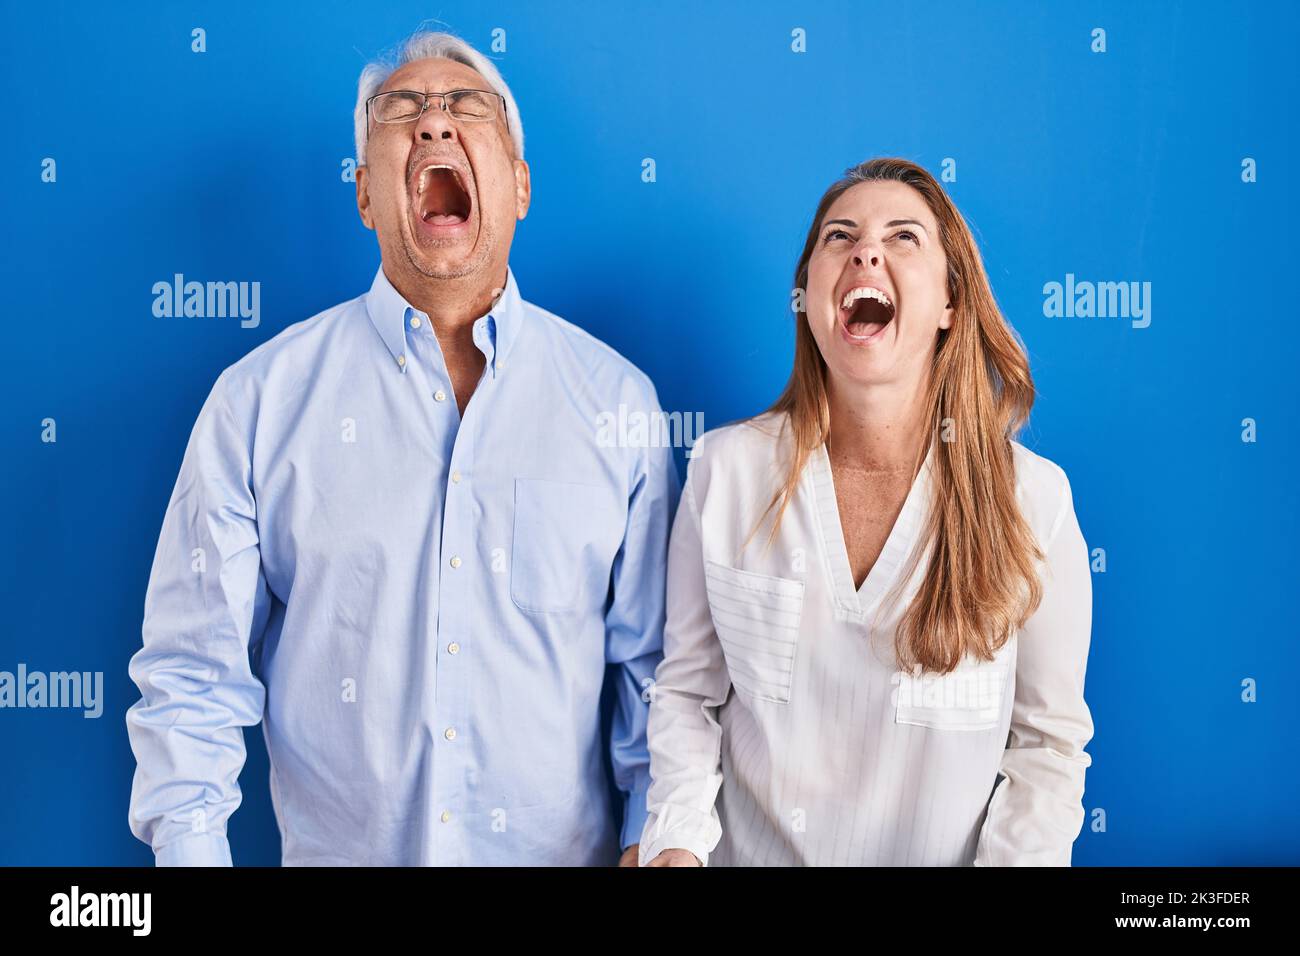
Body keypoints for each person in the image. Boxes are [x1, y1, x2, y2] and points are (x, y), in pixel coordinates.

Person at [125, 29, 678, 866]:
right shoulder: (258, 403)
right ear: (365, 196)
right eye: (402, 111)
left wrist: (650, 837)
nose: (433, 124)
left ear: (520, 185)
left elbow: (653, 674)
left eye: (466, 106)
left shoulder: (617, 404)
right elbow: (192, 678)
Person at [639, 158, 1094, 866]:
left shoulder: (1031, 500)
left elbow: (1047, 745)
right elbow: (688, 693)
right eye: (839, 236)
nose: (866, 250)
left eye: (904, 237)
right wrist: (674, 842)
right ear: (807, 297)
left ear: (950, 303)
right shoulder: (723, 471)